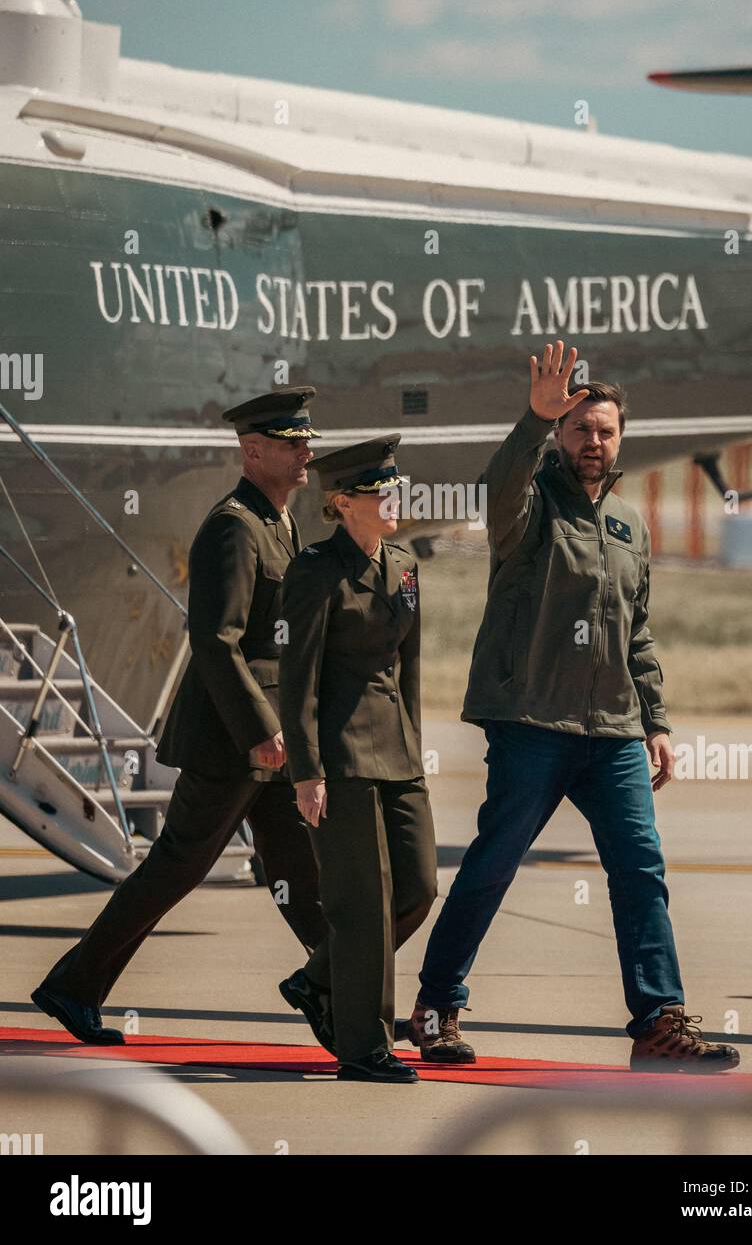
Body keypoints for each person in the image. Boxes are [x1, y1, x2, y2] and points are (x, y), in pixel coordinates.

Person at [400, 342, 740, 1073]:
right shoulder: (526, 506)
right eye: (580, 429)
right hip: (531, 721)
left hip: (613, 728)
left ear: (622, 439)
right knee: (493, 863)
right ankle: (436, 1006)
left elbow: (636, 629)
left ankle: (659, 1018)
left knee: (641, 867)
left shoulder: (628, 524)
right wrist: (532, 417)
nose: (594, 442)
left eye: (606, 431)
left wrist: (656, 719)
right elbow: (497, 488)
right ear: (561, 435)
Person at [32, 389, 329, 1045]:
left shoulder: (280, 521)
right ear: (254, 451)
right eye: (291, 441)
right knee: (177, 865)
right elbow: (216, 639)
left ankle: (340, 995)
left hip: (269, 737)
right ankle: (72, 986)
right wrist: (260, 727)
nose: (306, 450)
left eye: (307, 439)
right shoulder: (233, 526)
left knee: (296, 873)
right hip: (234, 740)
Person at [278, 436, 437, 1084]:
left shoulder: (403, 567)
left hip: (396, 751)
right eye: (382, 492)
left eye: (397, 487)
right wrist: (306, 771)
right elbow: (298, 678)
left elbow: (412, 669)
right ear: (344, 503)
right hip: (340, 757)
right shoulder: (314, 570)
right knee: (363, 905)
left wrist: (416, 748)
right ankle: (364, 1047)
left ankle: (318, 982)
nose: (396, 499)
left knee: (419, 886)